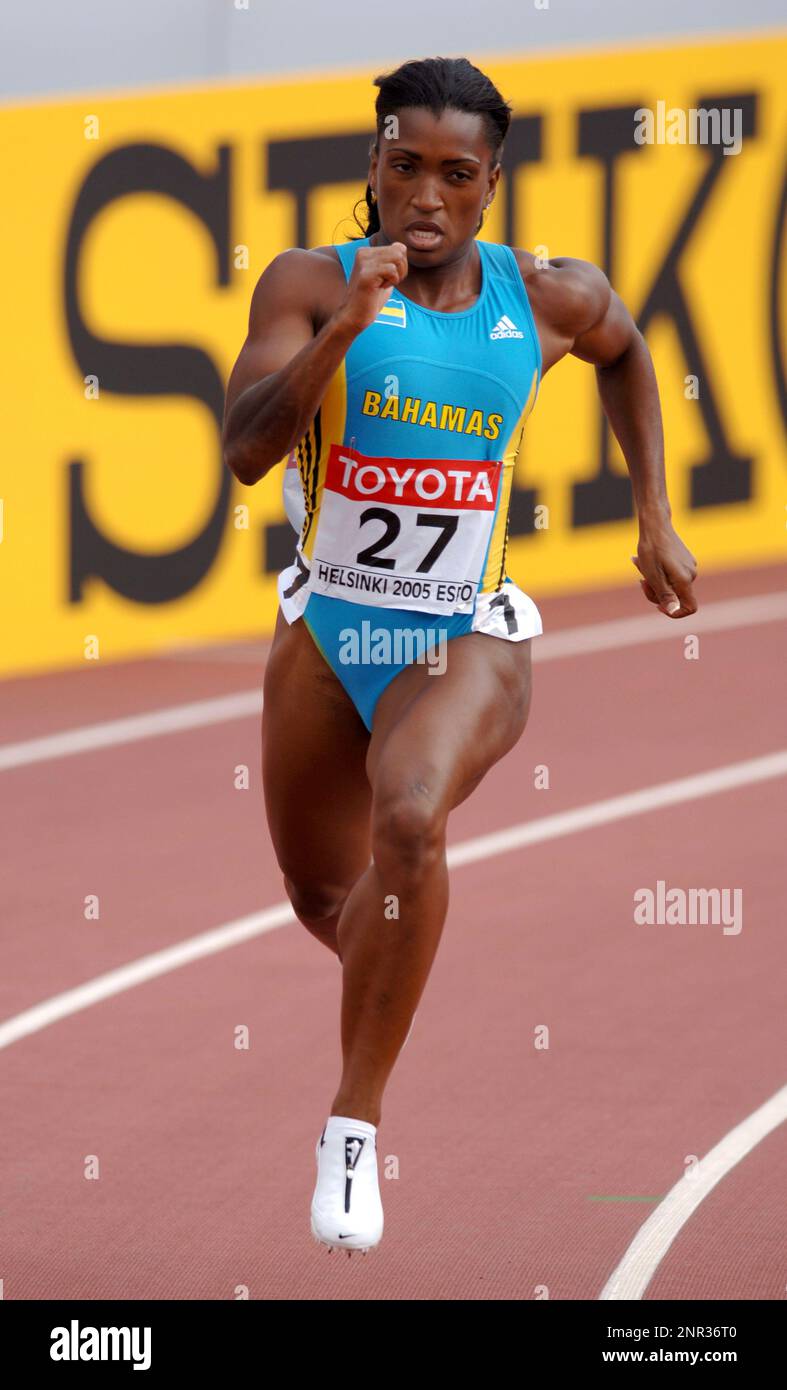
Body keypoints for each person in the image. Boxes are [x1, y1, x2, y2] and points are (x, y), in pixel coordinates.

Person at [222, 56, 698, 1255]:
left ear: (492, 186)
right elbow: (243, 448)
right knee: (326, 900)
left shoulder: (542, 297)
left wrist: (654, 512)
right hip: (327, 629)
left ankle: (350, 1124)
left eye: (454, 175)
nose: (424, 197)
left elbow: (629, 349)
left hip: (461, 638)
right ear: (372, 170)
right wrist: (342, 332)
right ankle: (406, 944)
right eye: (402, 168)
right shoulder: (306, 281)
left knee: (412, 818)